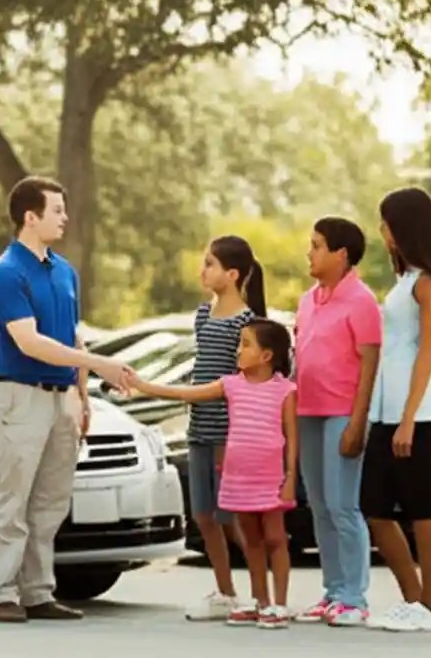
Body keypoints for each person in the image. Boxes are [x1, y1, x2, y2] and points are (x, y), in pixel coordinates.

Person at [0, 175, 134, 623]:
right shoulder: (6, 273)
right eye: (57, 211)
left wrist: (81, 394)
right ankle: (1, 594)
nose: (65, 218)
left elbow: (72, 336)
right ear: (31, 217)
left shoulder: (65, 271)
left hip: (61, 399)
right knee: (11, 498)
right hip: (21, 397)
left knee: (50, 501)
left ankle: (37, 592)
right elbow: (29, 342)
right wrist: (104, 365)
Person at [128, 319, 298, 629]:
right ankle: (261, 602)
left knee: (275, 538)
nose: (238, 350)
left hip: (270, 479)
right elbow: (185, 394)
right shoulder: (230, 385)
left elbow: (293, 439)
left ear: (266, 355)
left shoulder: (284, 390)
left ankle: (281, 605)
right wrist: (142, 386)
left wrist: (290, 478)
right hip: (238, 478)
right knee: (253, 541)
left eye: (245, 344)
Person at [363, 187, 431, 632]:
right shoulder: (405, 280)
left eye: (386, 223)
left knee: (421, 509)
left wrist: (407, 419)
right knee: (375, 510)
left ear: (404, 227)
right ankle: (413, 601)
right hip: (387, 411)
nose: (381, 231)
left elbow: (426, 353)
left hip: (414, 413)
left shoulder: (427, 282)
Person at [293, 217, 382, 627]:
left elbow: (369, 364)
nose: (309, 253)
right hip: (308, 410)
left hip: (343, 412)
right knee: (320, 506)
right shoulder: (308, 299)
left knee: (344, 506)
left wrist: (357, 423)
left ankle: (354, 598)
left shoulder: (362, 300)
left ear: (340, 253)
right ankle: (333, 592)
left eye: (317, 245)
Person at [180, 236, 267, 621]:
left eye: (210, 264)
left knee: (232, 516)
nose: (203, 271)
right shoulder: (203, 316)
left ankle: (261, 595)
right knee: (203, 515)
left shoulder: (248, 322)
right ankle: (225, 591)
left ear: (232, 274)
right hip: (198, 427)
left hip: (229, 432)